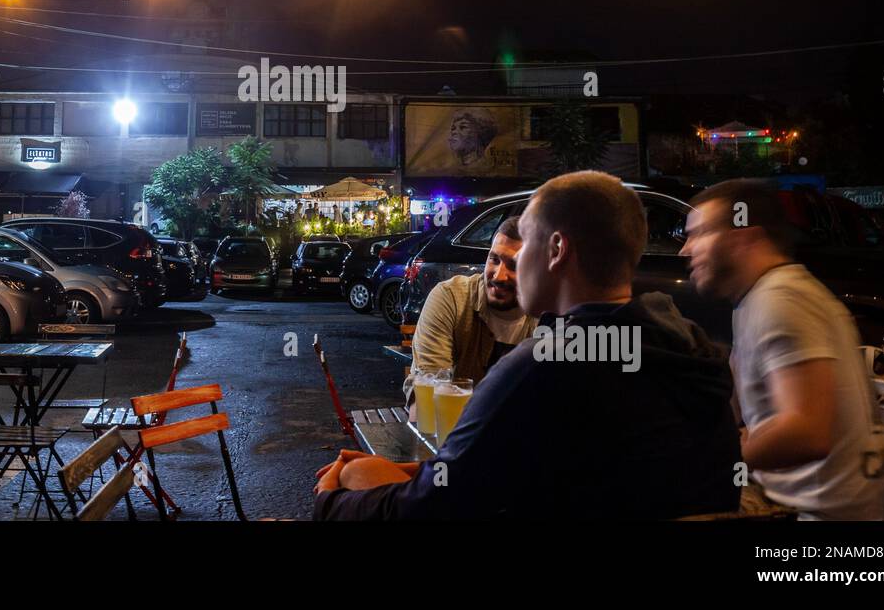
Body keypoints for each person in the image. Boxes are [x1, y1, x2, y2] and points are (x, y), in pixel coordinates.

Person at [315, 171, 741, 519]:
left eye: (527, 244)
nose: (504, 271)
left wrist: (331, 501)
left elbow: (434, 508)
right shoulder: (688, 347)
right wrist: (412, 470)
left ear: (555, 249)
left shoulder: (544, 367)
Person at [681, 179, 884, 520]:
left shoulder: (781, 300)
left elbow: (806, 432)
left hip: (808, 513)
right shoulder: (759, 296)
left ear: (743, 239)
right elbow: (740, 409)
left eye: (699, 233)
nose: (685, 249)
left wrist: (707, 458)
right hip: (788, 498)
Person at [404, 216, 534, 404]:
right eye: (494, 259)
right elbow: (428, 395)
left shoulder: (550, 313)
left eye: (514, 266)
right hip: (454, 430)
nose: (499, 275)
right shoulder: (451, 298)